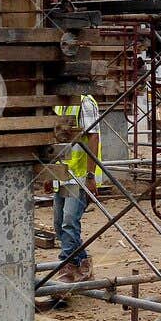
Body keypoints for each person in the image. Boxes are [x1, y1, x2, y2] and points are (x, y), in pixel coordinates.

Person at [52, 93, 104, 282]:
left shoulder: (85, 103)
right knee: (59, 225)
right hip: (62, 175)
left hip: (78, 177)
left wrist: (90, 176)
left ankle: (67, 268)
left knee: (69, 221)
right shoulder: (59, 103)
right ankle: (83, 261)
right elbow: (56, 140)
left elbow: (93, 138)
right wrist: (50, 173)